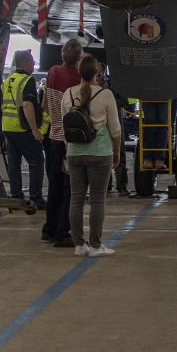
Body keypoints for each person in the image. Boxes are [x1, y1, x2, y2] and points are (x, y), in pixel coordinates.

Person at [65, 55, 122, 258]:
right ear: (98, 72)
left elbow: (66, 126)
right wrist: (116, 153)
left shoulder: (69, 94)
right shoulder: (105, 95)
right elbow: (115, 129)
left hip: (74, 152)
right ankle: (96, 245)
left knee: (76, 199)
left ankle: (79, 245)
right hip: (99, 153)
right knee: (97, 199)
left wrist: (68, 151)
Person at [41, 41, 84, 247]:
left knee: (55, 184)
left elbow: (46, 105)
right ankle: (62, 232)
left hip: (54, 135)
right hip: (70, 140)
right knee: (71, 188)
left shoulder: (52, 72)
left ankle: (49, 228)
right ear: (79, 57)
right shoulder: (78, 78)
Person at [0, 50, 45, 205]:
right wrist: (35, 129)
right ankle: (36, 197)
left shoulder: (8, 80)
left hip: (7, 126)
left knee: (13, 163)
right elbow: (27, 105)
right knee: (36, 161)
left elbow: (3, 105)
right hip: (22, 128)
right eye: (32, 62)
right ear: (25, 63)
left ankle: (16, 196)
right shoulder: (27, 81)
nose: (33, 65)